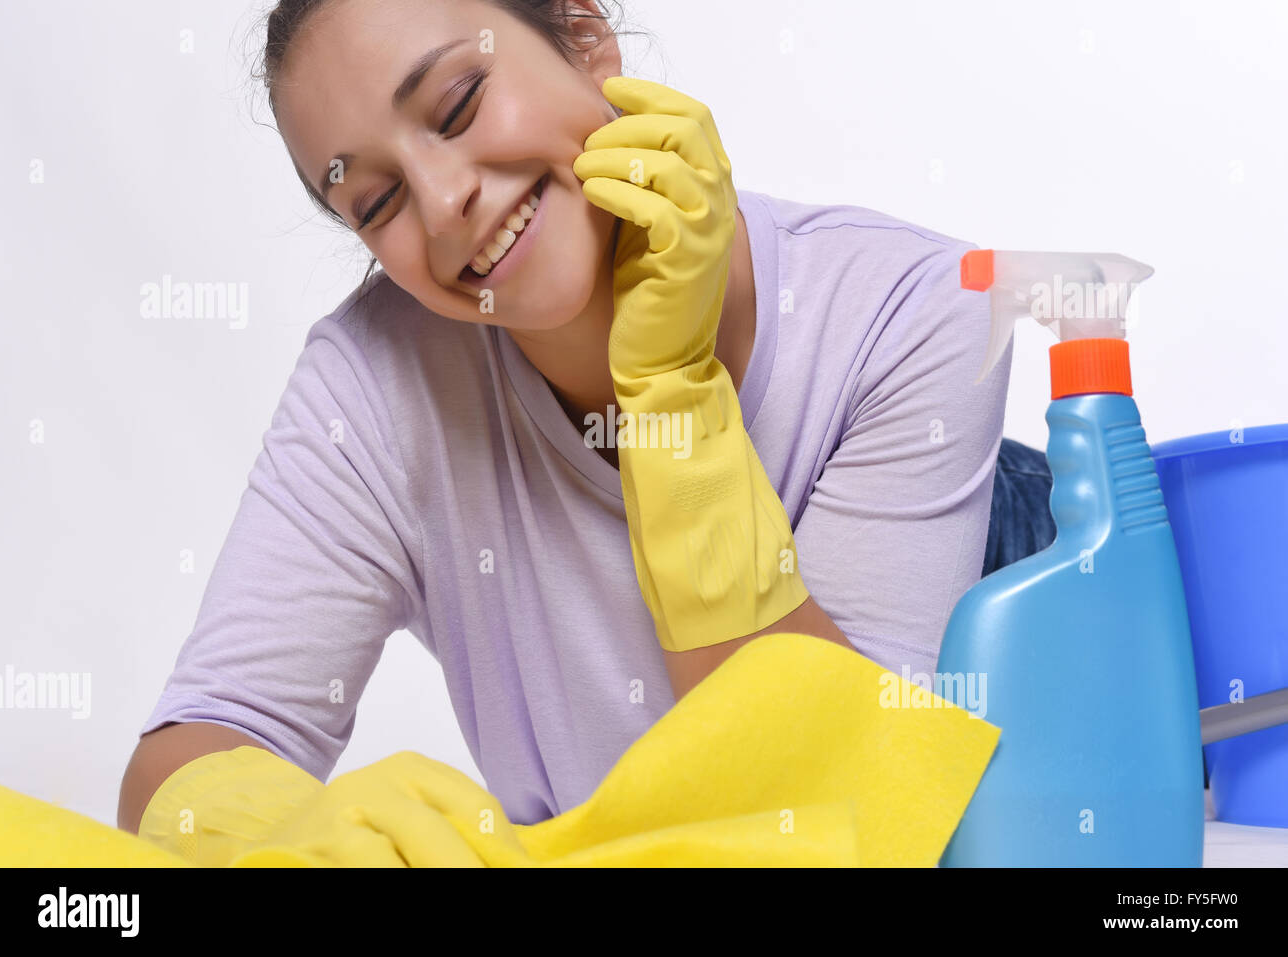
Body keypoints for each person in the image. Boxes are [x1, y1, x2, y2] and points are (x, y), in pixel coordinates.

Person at [118, 0, 1055, 832]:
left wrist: (672, 404)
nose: (444, 206)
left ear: (583, 36)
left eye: (455, 106)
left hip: (1049, 664)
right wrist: (300, 836)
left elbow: (852, 816)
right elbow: (193, 751)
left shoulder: (917, 310)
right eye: (377, 200)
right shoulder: (376, 383)